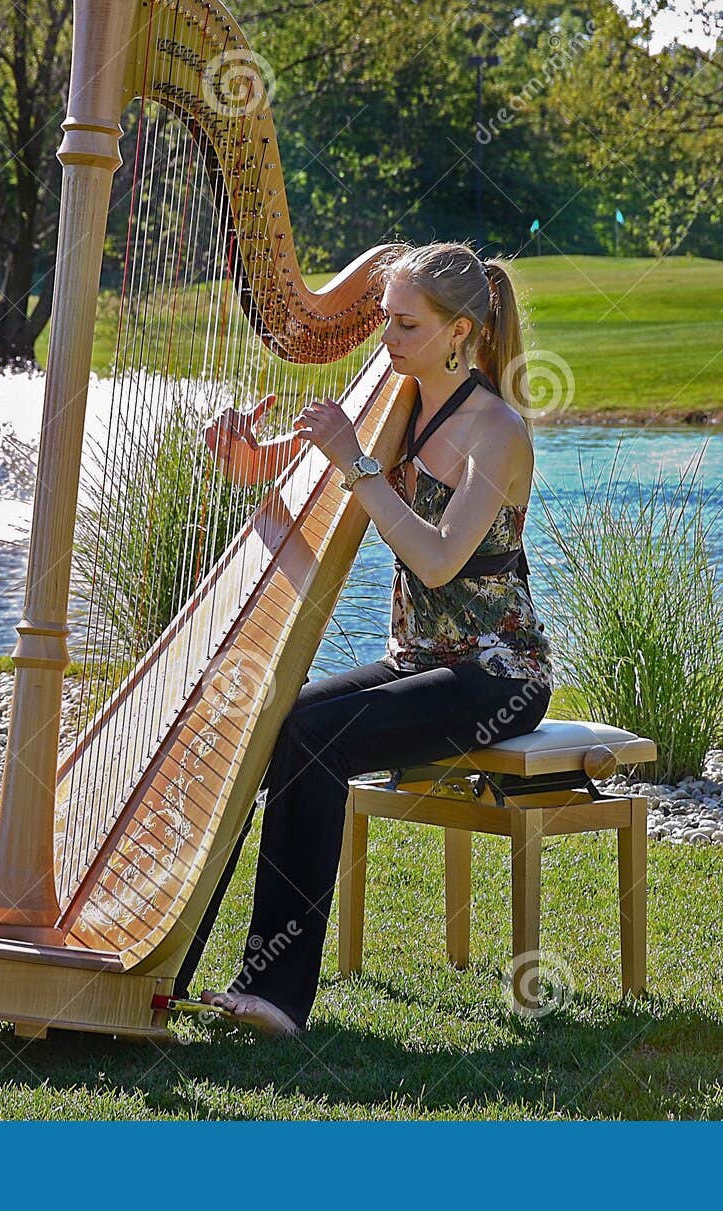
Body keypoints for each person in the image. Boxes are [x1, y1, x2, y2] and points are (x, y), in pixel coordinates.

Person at [184, 241, 554, 1035]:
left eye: (405, 326)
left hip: (498, 676)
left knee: (316, 736)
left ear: (460, 332)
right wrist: (240, 452)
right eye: (383, 322)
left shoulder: (498, 431)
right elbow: (271, 472)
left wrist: (357, 463)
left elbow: (439, 557)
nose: (386, 342)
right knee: (280, 724)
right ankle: (192, 962)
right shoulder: (400, 403)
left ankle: (279, 996)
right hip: (418, 662)